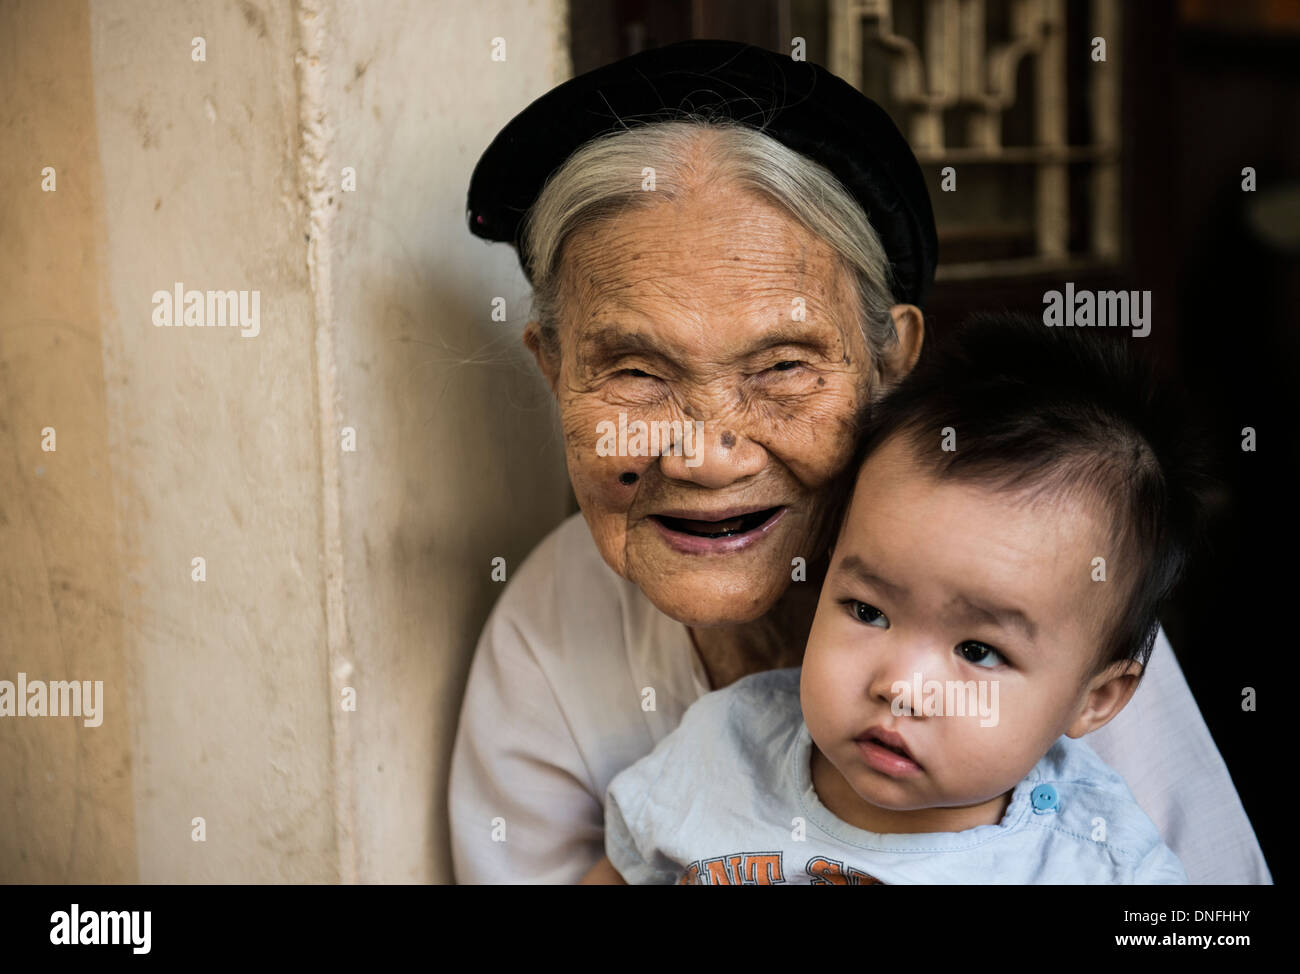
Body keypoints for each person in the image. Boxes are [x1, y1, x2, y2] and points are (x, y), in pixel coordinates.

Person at [450, 40, 1271, 884]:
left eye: (782, 369)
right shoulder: (553, 624)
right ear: (553, 369)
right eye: (633, 373)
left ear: (889, 363)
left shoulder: (1050, 579)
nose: (702, 457)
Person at [582, 312, 1200, 884]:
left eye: (980, 651)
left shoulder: (1096, 859)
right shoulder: (724, 748)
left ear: (1094, 700)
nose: (903, 687)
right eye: (867, 611)